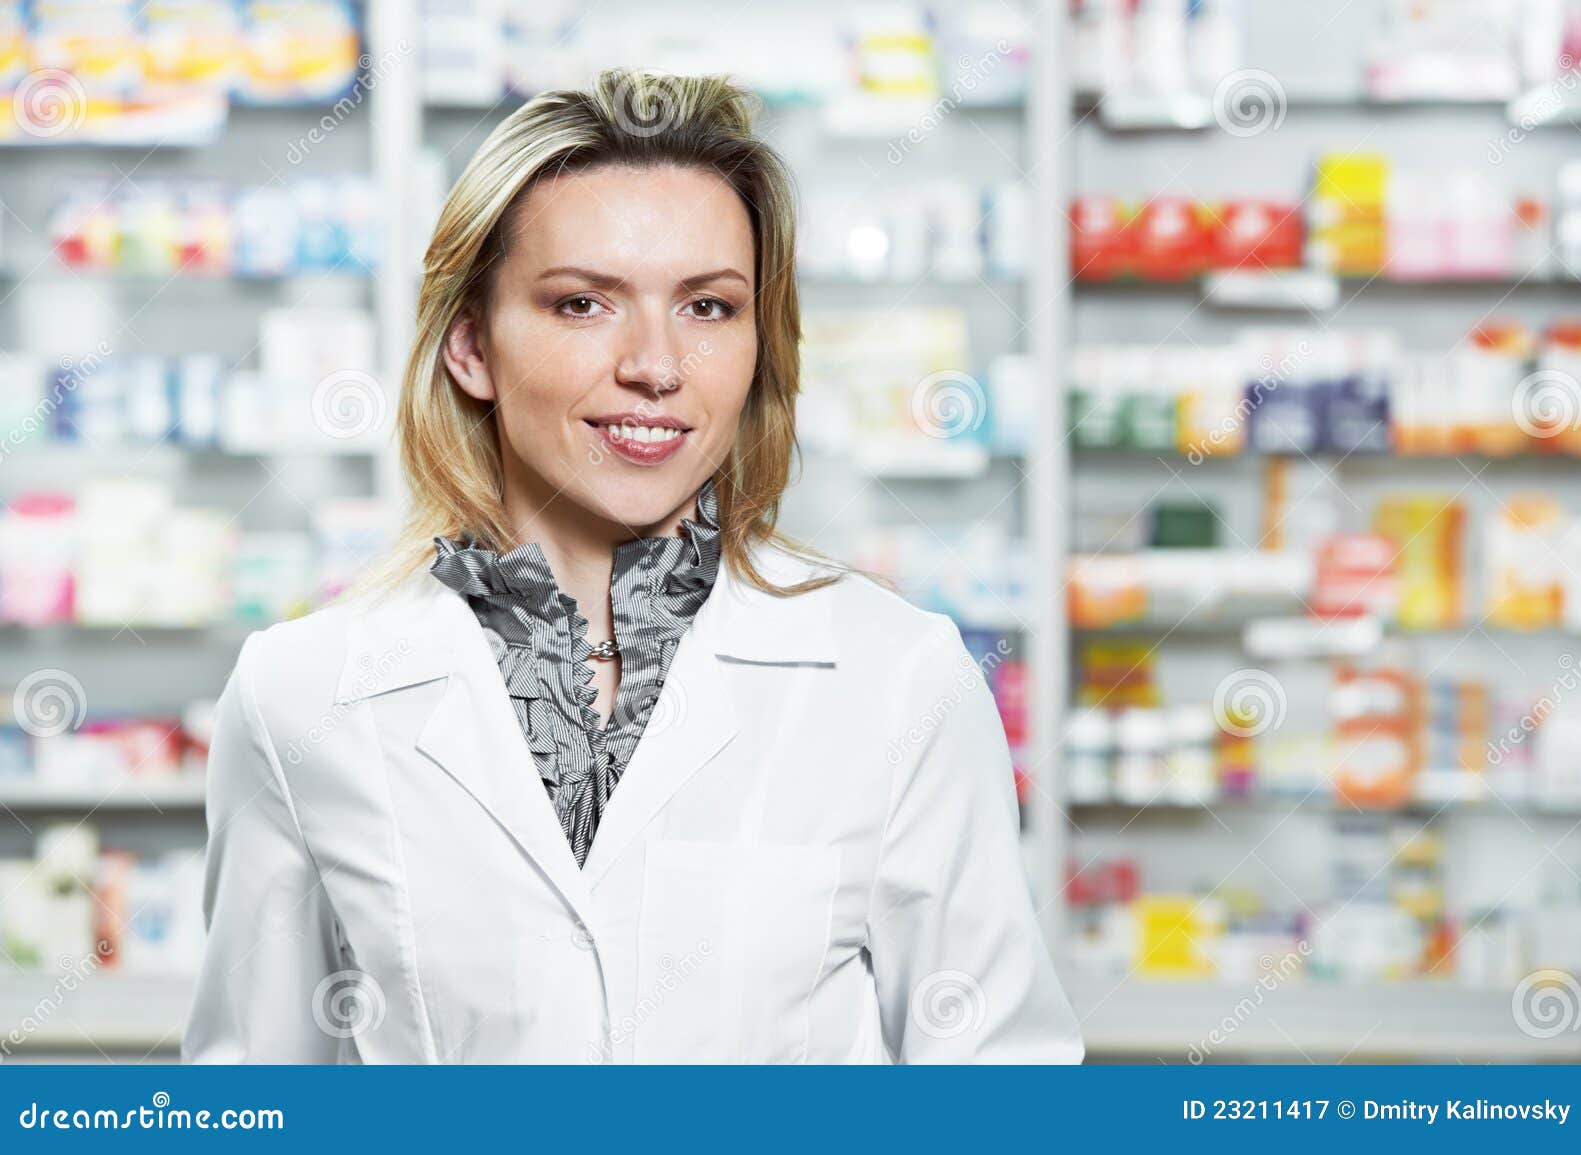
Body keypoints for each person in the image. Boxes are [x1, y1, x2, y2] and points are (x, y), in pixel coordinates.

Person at [181, 69, 1083, 1064]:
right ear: (472, 345)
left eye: (707, 308)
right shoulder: (301, 697)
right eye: (582, 304)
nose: (657, 365)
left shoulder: (899, 681)